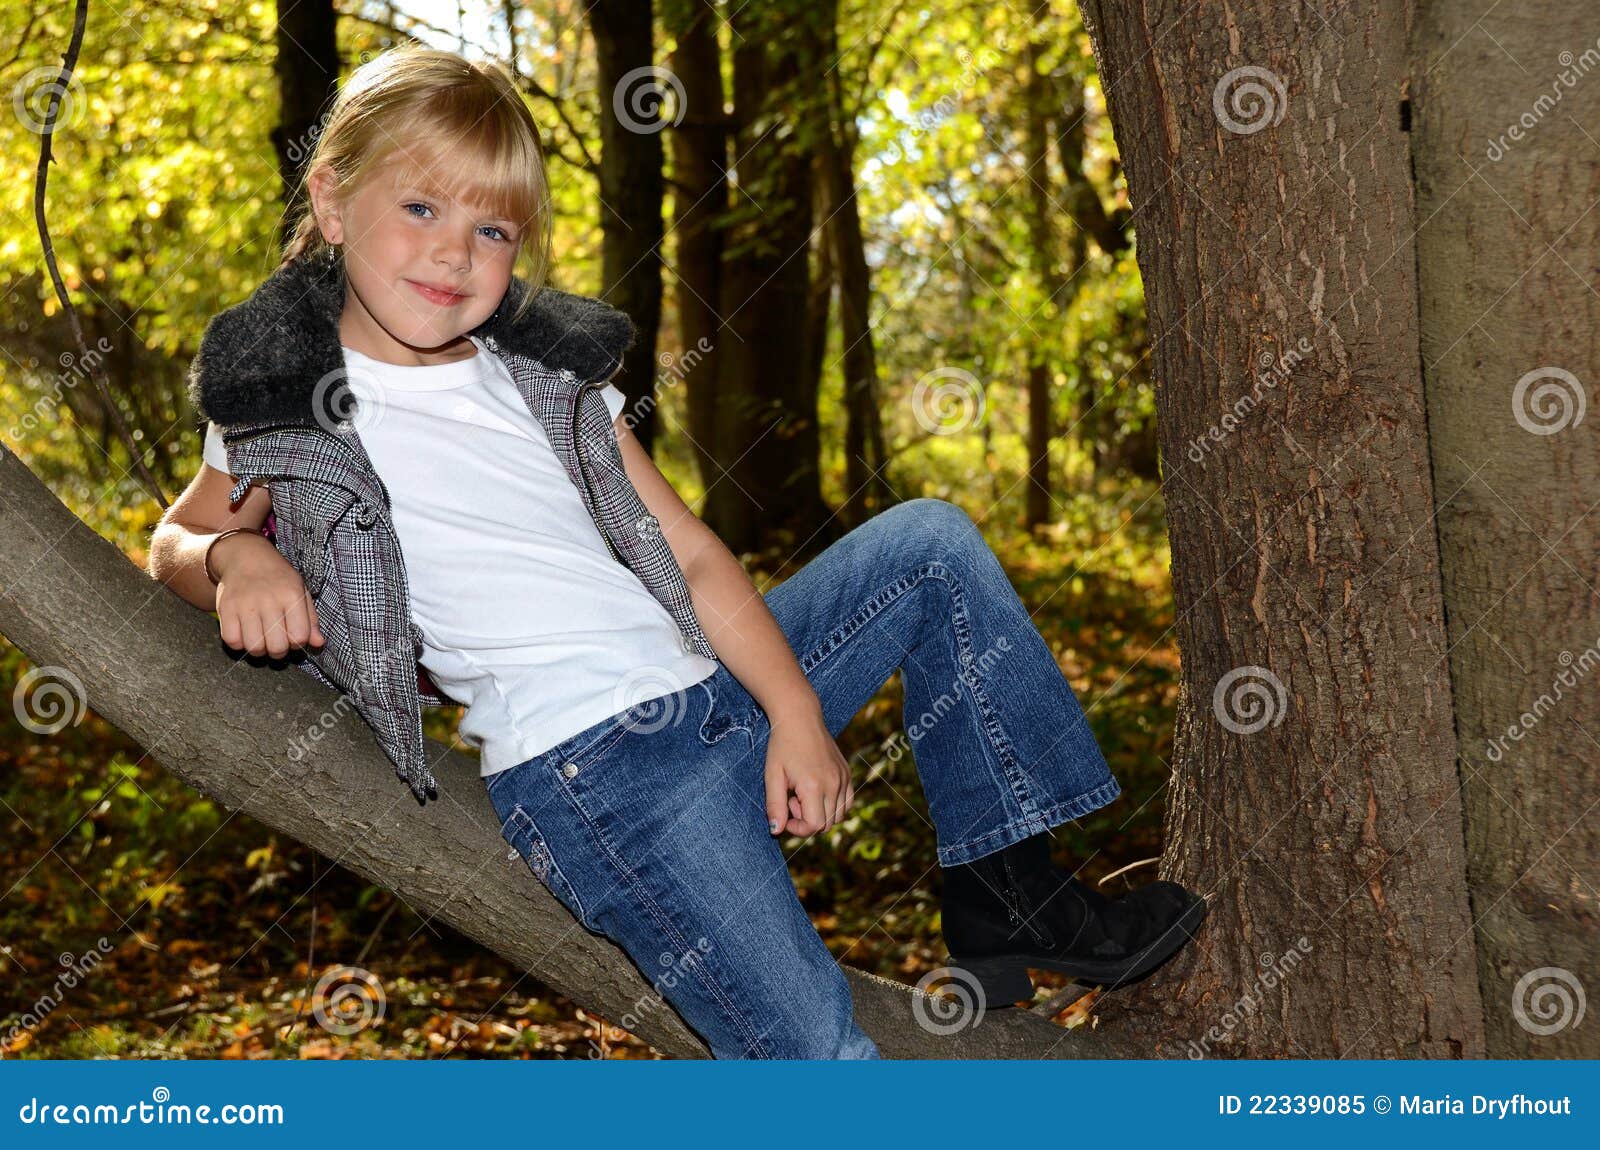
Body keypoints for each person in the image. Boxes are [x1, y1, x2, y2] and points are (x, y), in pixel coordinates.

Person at [148, 44, 1206, 1060]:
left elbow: (692, 557)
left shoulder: (550, 380)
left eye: (492, 231)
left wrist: (793, 710)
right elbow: (178, 537)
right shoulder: (283, 398)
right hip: (604, 775)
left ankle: (1008, 892)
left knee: (928, 548)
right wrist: (240, 563)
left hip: (712, 691)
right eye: (419, 209)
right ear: (332, 203)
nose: (452, 253)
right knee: (814, 1057)